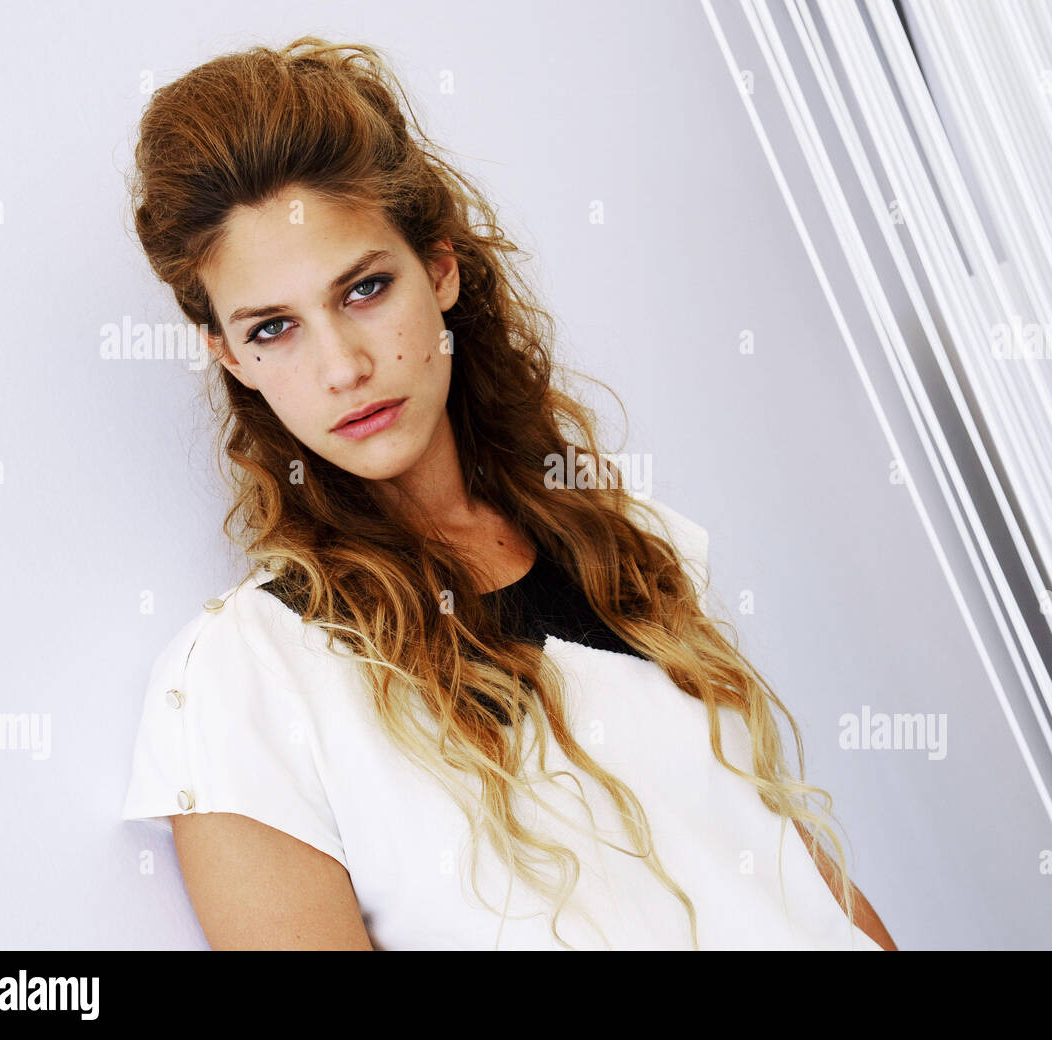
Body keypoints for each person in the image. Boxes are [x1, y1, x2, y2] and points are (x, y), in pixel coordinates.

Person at [120, 35, 896, 952]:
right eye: (275, 327)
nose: (343, 367)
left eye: (365, 289)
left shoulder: (633, 547)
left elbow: (798, 886)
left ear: (440, 270)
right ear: (230, 357)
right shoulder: (241, 679)